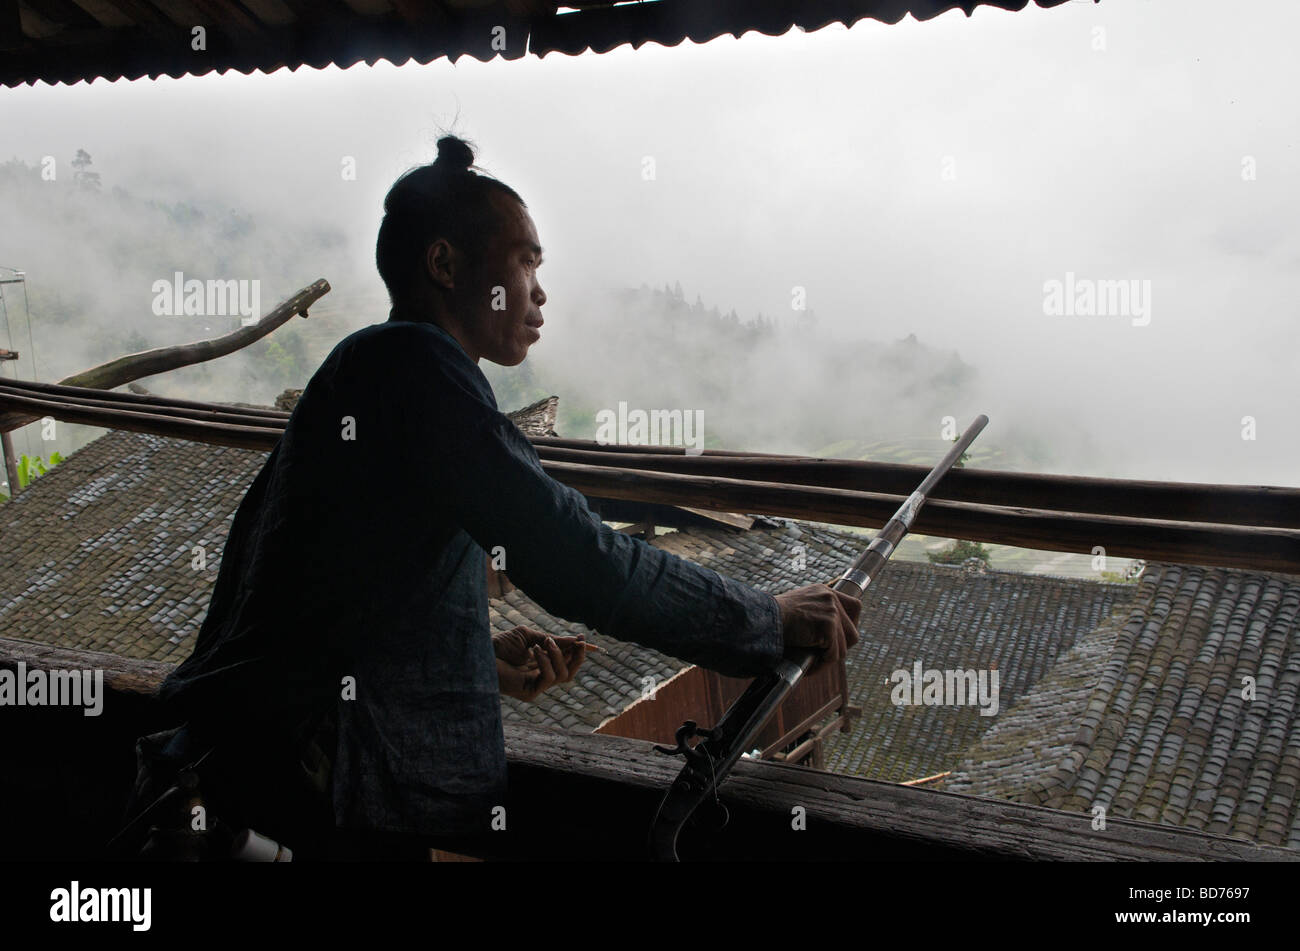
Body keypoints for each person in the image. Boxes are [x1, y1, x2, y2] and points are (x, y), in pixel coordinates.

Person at [131, 135, 861, 860]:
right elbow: (579, 557)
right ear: (444, 263)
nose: (539, 289)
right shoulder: (420, 375)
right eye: (524, 260)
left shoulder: (368, 366)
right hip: (311, 781)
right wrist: (767, 617)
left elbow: (340, 598)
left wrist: (476, 654)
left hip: (259, 760)